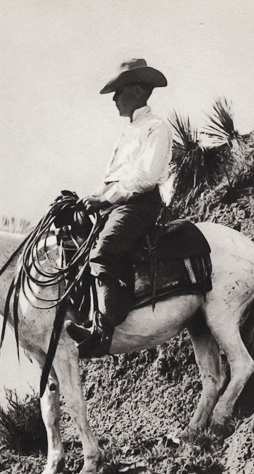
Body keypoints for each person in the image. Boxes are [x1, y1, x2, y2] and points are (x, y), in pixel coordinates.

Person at [66, 58, 173, 358]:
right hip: (117, 203)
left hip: (139, 204)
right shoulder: (129, 132)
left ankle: (103, 331)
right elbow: (109, 179)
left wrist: (106, 200)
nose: (114, 98)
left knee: (104, 250)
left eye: (120, 90)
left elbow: (145, 177)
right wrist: (88, 198)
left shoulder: (156, 127)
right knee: (76, 242)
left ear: (138, 91)